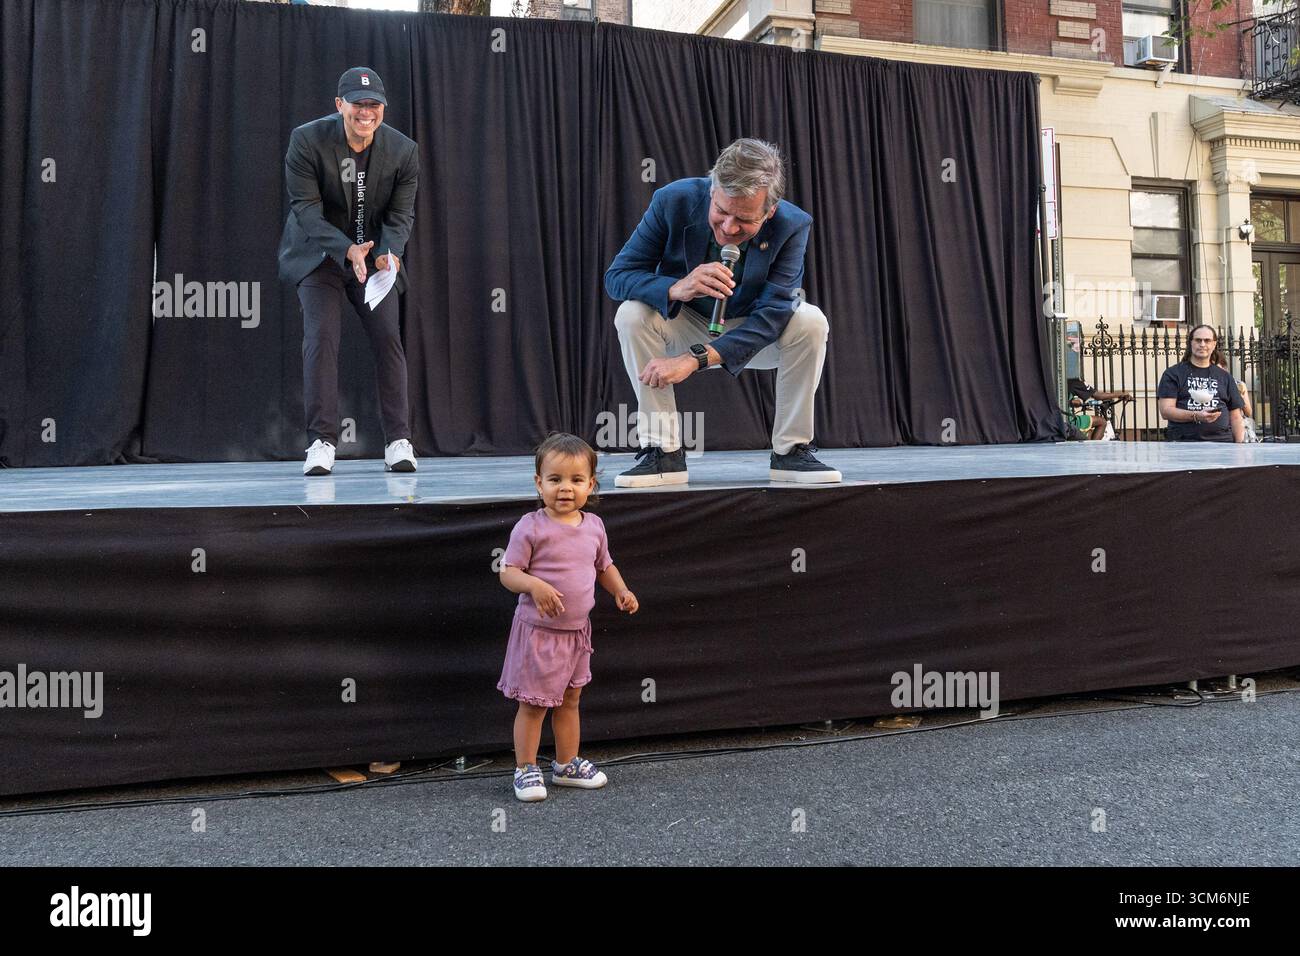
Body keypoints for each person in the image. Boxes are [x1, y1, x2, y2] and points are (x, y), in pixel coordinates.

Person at [605, 138, 840, 486]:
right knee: (631, 313)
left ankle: (791, 452)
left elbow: (774, 313)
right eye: (721, 212)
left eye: (744, 219)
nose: (729, 228)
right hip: (684, 320)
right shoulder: (673, 200)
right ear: (712, 190)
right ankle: (663, 453)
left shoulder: (793, 225)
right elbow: (617, 277)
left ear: (770, 211)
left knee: (810, 320)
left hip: (752, 330)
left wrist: (696, 359)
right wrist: (676, 287)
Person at [278, 67, 419, 476]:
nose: (366, 112)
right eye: (358, 105)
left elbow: (400, 214)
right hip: (319, 256)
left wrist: (388, 253)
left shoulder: (403, 151)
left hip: (373, 261)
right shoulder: (306, 140)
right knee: (320, 339)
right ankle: (321, 442)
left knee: (388, 338)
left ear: (382, 109)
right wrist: (346, 249)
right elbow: (305, 209)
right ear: (340, 105)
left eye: (373, 105)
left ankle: (398, 441)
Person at [497, 433, 639, 802]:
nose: (565, 488)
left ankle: (566, 763)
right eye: (555, 479)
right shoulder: (530, 526)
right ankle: (526, 768)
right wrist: (535, 586)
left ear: (591, 485)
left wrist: (621, 590)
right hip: (539, 635)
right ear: (538, 483)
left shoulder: (593, 526)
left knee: (571, 699)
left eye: (576, 480)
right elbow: (508, 572)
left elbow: (604, 565)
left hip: (577, 634)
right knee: (533, 704)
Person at [1157, 325, 1244, 442]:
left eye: (1207, 340)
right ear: (1190, 343)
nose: (1202, 344)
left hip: (1222, 444)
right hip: (1183, 444)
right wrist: (1196, 415)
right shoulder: (1173, 374)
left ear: (1214, 344)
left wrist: (1240, 448)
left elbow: (1236, 417)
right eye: (1198, 340)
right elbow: (1166, 411)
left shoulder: (1225, 376)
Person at [1065, 378, 1133, 440]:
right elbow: (1097, 395)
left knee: (1089, 433)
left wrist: (1071, 402)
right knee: (1102, 422)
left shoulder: (1063, 380)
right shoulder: (1075, 382)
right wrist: (1120, 394)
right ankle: (1096, 448)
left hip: (1062, 417)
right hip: (1070, 421)